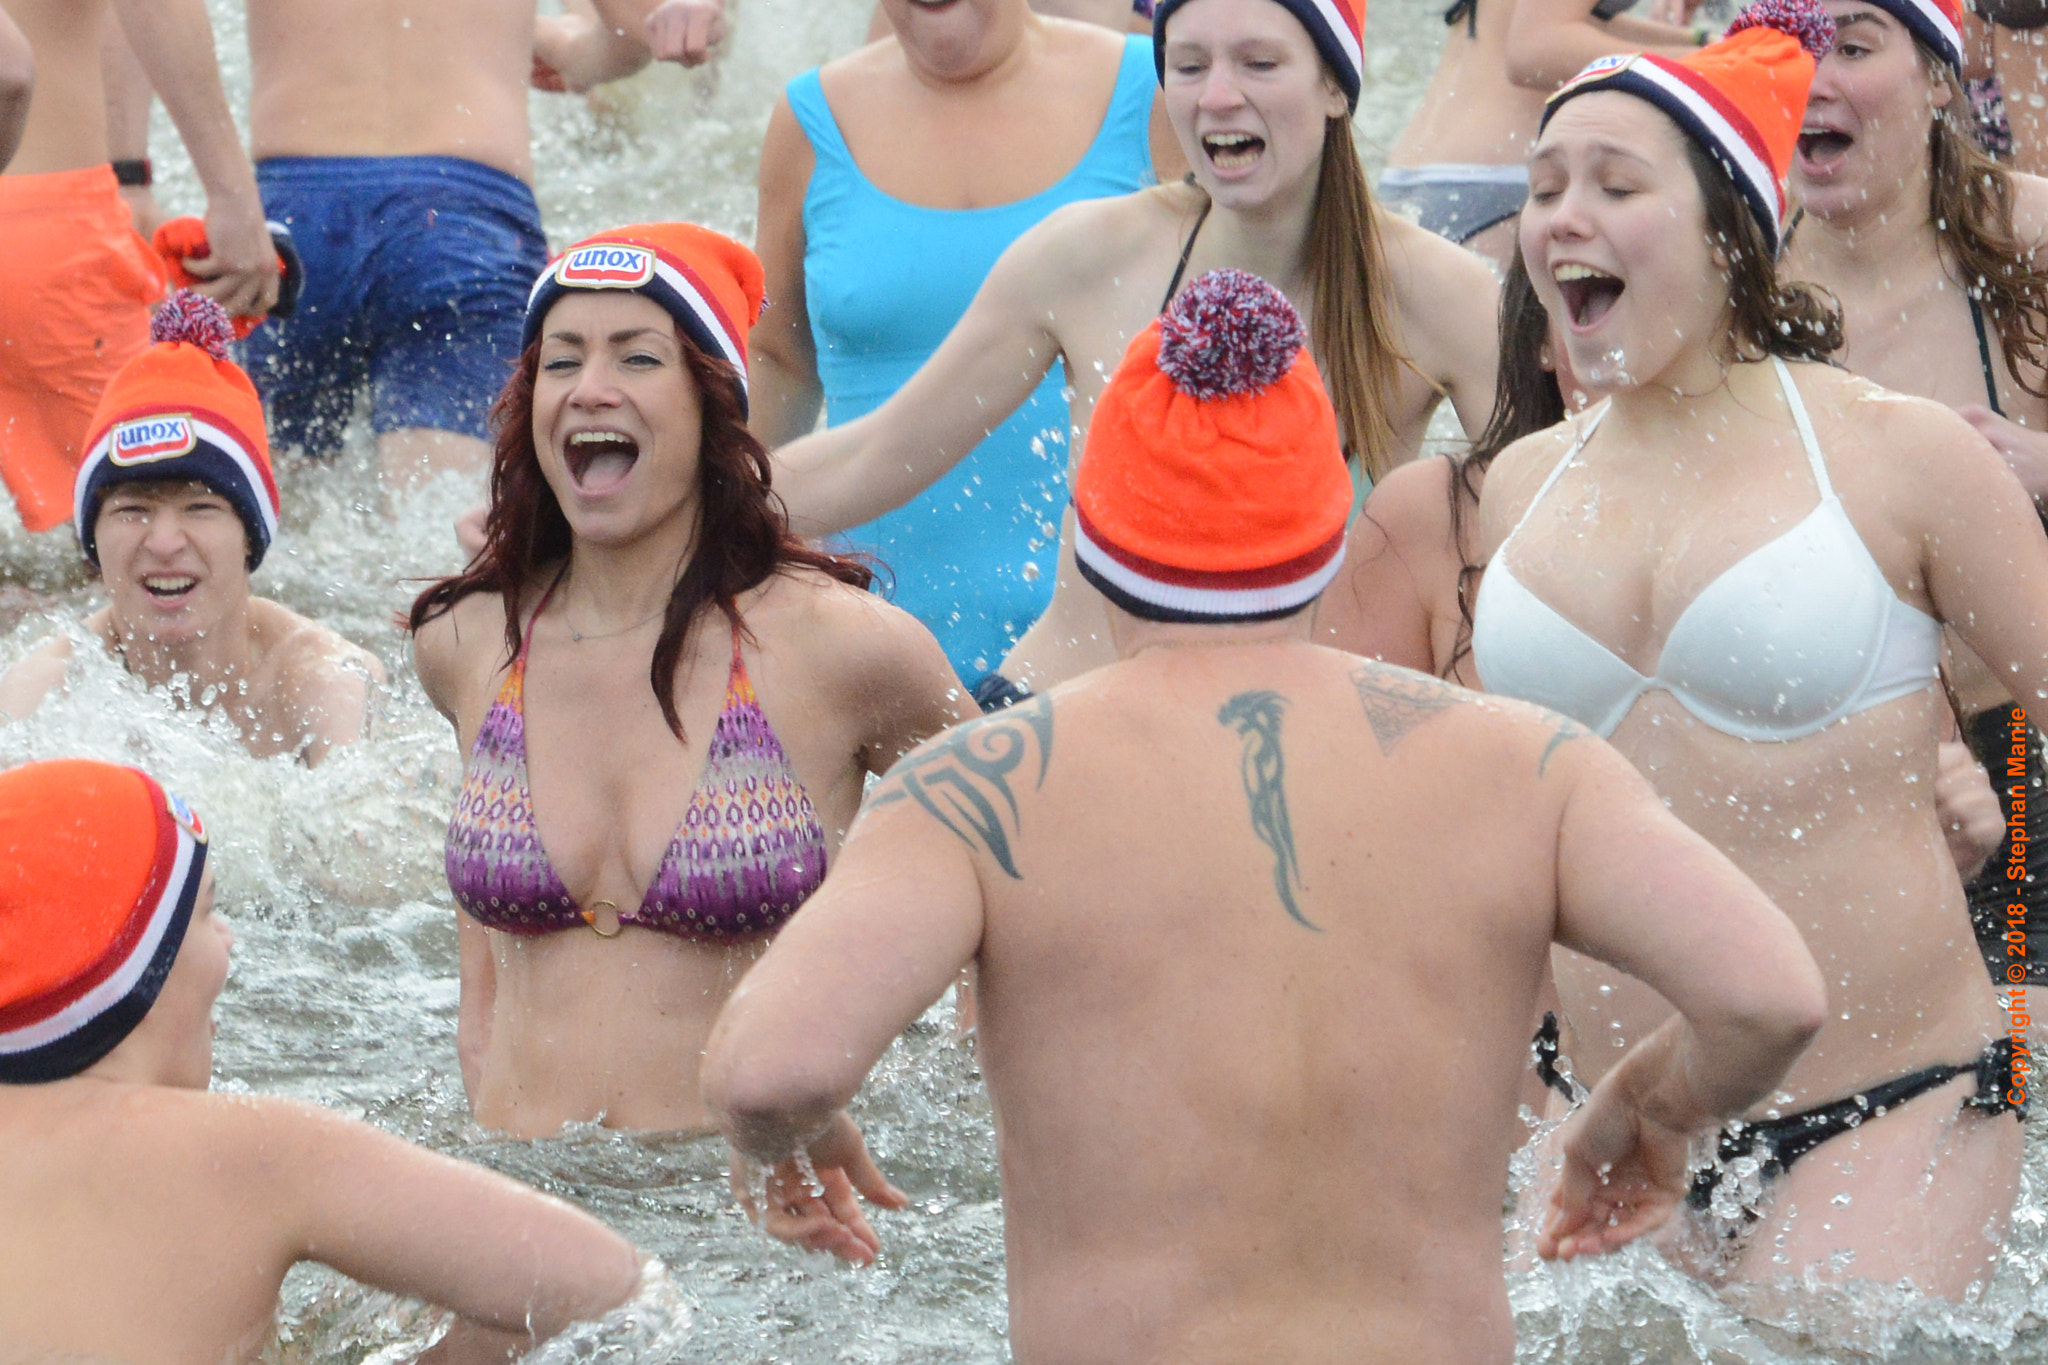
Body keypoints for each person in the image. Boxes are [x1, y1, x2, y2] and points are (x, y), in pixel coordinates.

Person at [702, 270, 1828, 1361]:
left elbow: (770, 1072)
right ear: (1325, 534)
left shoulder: (977, 789)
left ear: (1093, 537)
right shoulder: (1528, 766)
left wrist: (787, 1141)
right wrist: (1651, 1106)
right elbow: (1766, 996)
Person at [1471, 0, 2044, 1293]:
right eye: (1547, 184)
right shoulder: (1520, 488)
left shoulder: (1900, 453)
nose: (1564, 215)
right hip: (1596, 1103)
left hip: (1894, 1095)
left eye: (1617, 184)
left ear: (1734, 230)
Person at [410, 223, 974, 1140]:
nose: (592, 388)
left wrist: (965, 1086)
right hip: (523, 1201)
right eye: (562, 361)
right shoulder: (470, 638)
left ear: (713, 405)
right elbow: (487, 952)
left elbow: (1013, 870)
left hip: (749, 1219)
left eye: (638, 357)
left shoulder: (846, 649)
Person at [773, 0, 1501, 709]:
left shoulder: (1439, 297)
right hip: (1061, 721)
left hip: (1288, 747)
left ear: (1336, 85)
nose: (1217, 95)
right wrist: (698, 489)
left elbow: (1546, 520)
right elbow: (875, 457)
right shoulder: (1087, 255)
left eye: (1258, 62)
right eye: (1188, 65)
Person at [0, 757, 642, 1364]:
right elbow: (612, 1289)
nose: (227, 939)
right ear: (140, 964)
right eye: (206, 913)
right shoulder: (249, 1149)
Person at [752, 0, 1175, 683]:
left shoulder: (1156, 90)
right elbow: (781, 359)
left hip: (1113, 647)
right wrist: (735, 556)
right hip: (872, 652)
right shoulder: (808, 119)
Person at [1779, 0, 2048, 978]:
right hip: (1810, 769)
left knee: (2012, 1067)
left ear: (1939, 76)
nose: (1816, 76)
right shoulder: (1722, 274)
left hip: (2015, 753)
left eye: (1852, 46)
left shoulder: (2030, 242)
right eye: (1795, 46)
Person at [238, 0, 710, 494]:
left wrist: (146, 178)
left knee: (279, 527)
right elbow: (626, 38)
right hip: (461, 219)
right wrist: (551, 38)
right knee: (449, 527)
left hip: (294, 214)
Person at [0, 293, 383, 765]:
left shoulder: (325, 684)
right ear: (93, 539)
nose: (163, 544)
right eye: (133, 510)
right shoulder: (39, 693)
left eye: (199, 508)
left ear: (250, 536)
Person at [0, 0, 274, 539]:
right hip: (50, 235)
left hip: (51, 222)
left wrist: (131, 174)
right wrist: (233, 197)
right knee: (131, 552)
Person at [1383, 0, 1712, 264]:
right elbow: (1535, 49)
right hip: (1502, 188)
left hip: (1410, 178)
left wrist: (1703, 43)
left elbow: (1569, 24)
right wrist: (1718, 63)